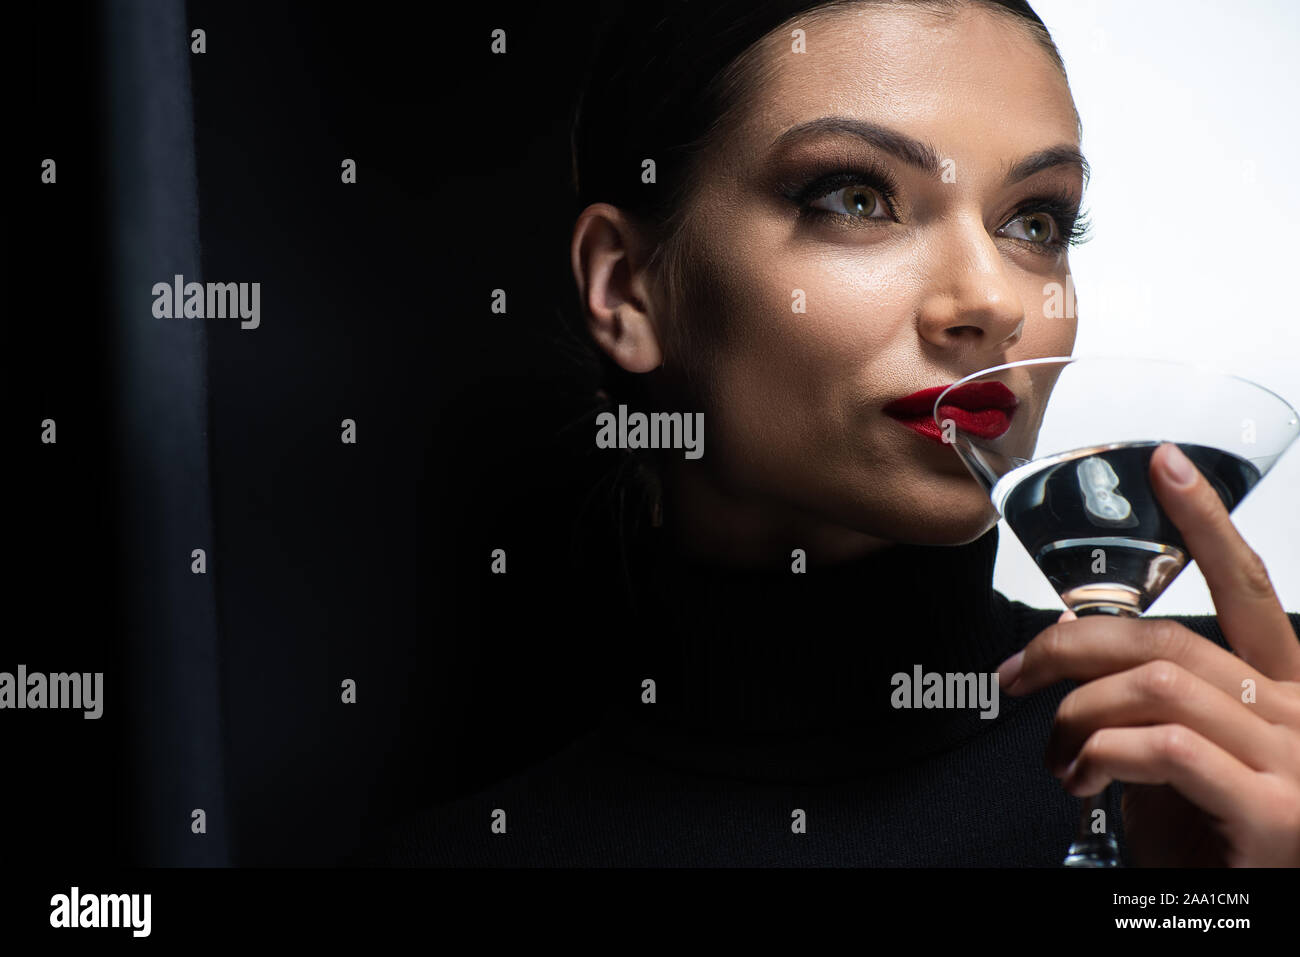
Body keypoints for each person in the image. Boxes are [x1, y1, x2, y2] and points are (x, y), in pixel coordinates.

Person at [357, 0, 1300, 866]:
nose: (993, 301)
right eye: (855, 197)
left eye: (1035, 220)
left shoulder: (1259, 733)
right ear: (626, 289)